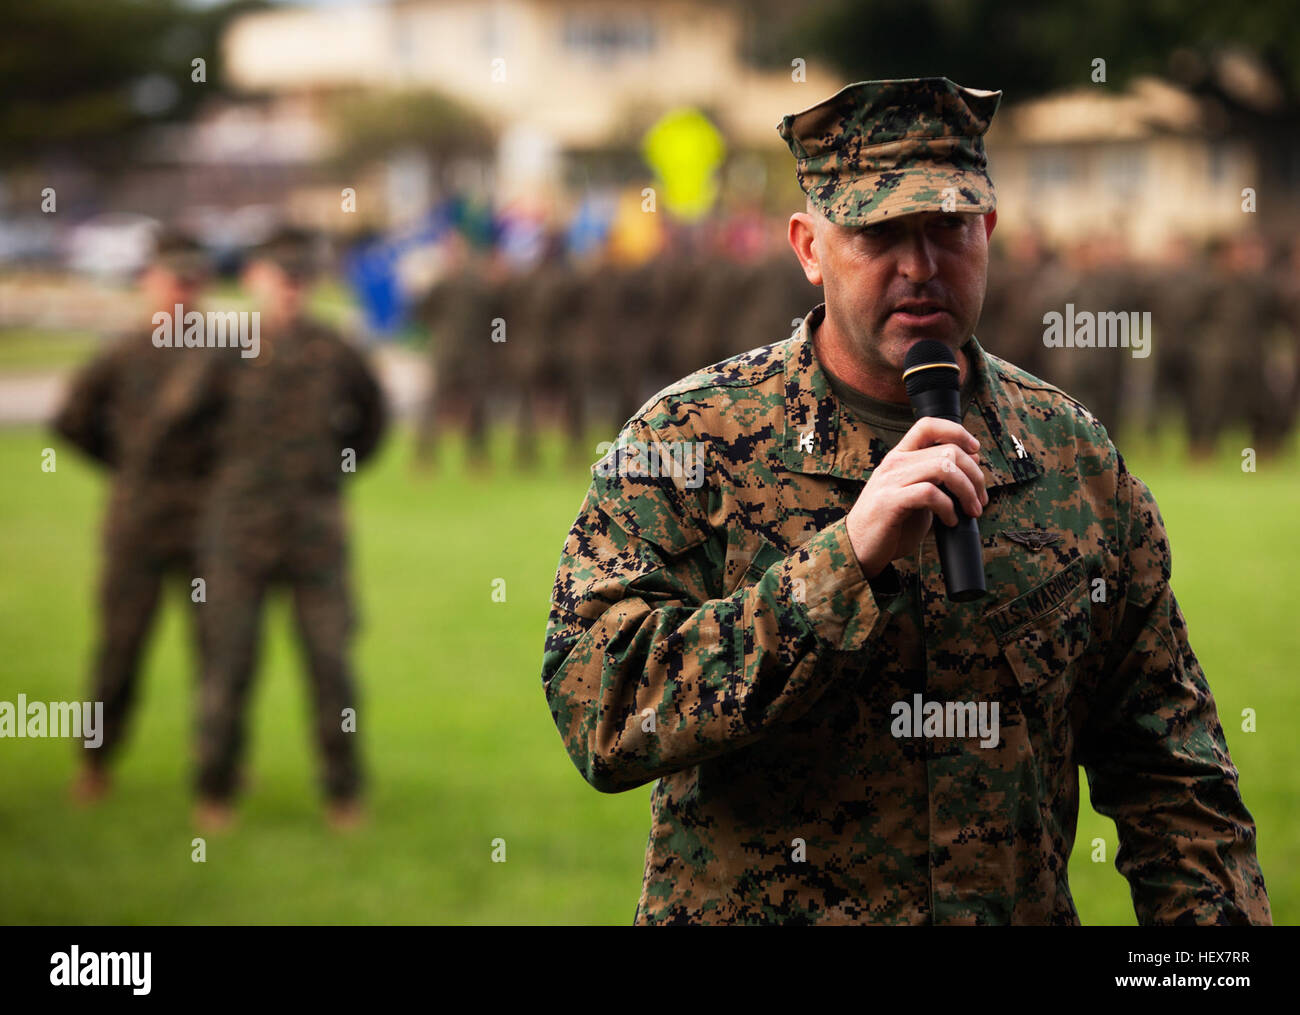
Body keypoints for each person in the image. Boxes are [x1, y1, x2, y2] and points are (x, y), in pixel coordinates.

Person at [539, 78, 1271, 925]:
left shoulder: (1072, 456)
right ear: (809, 247)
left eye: (947, 228)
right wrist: (840, 564)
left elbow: (1172, 771)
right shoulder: (690, 442)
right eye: (879, 233)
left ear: (988, 231)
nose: (919, 266)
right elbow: (601, 708)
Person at [176, 228, 387, 831]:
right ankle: (214, 790)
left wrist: (332, 477)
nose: (291, 288)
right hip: (237, 532)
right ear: (255, 279)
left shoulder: (336, 349)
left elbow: (371, 423)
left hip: (314, 531)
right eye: (280, 276)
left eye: (301, 278)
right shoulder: (224, 350)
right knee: (229, 663)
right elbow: (182, 426)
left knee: (330, 664)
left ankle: (344, 793)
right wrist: (217, 490)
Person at [52, 231, 214, 802]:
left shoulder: (224, 354)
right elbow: (71, 421)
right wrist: (122, 466)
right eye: (173, 282)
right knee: (119, 650)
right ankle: (95, 765)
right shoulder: (122, 353)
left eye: (192, 283)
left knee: (218, 653)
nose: (182, 294)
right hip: (138, 526)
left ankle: (216, 764)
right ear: (150, 284)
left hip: (205, 527)